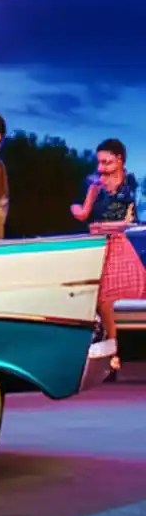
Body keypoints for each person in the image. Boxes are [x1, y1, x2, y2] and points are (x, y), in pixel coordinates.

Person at [71, 139, 142, 374]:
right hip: (100, 244)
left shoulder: (132, 185)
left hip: (120, 245)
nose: (101, 168)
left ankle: (118, 348)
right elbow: (84, 214)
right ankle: (112, 350)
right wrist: (76, 210)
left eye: (107, 162)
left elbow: (131, 220)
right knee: (101, 297)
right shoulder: (96, 187)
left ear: (120, 160)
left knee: (126, 292)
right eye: (99, 162)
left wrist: (115, 225)